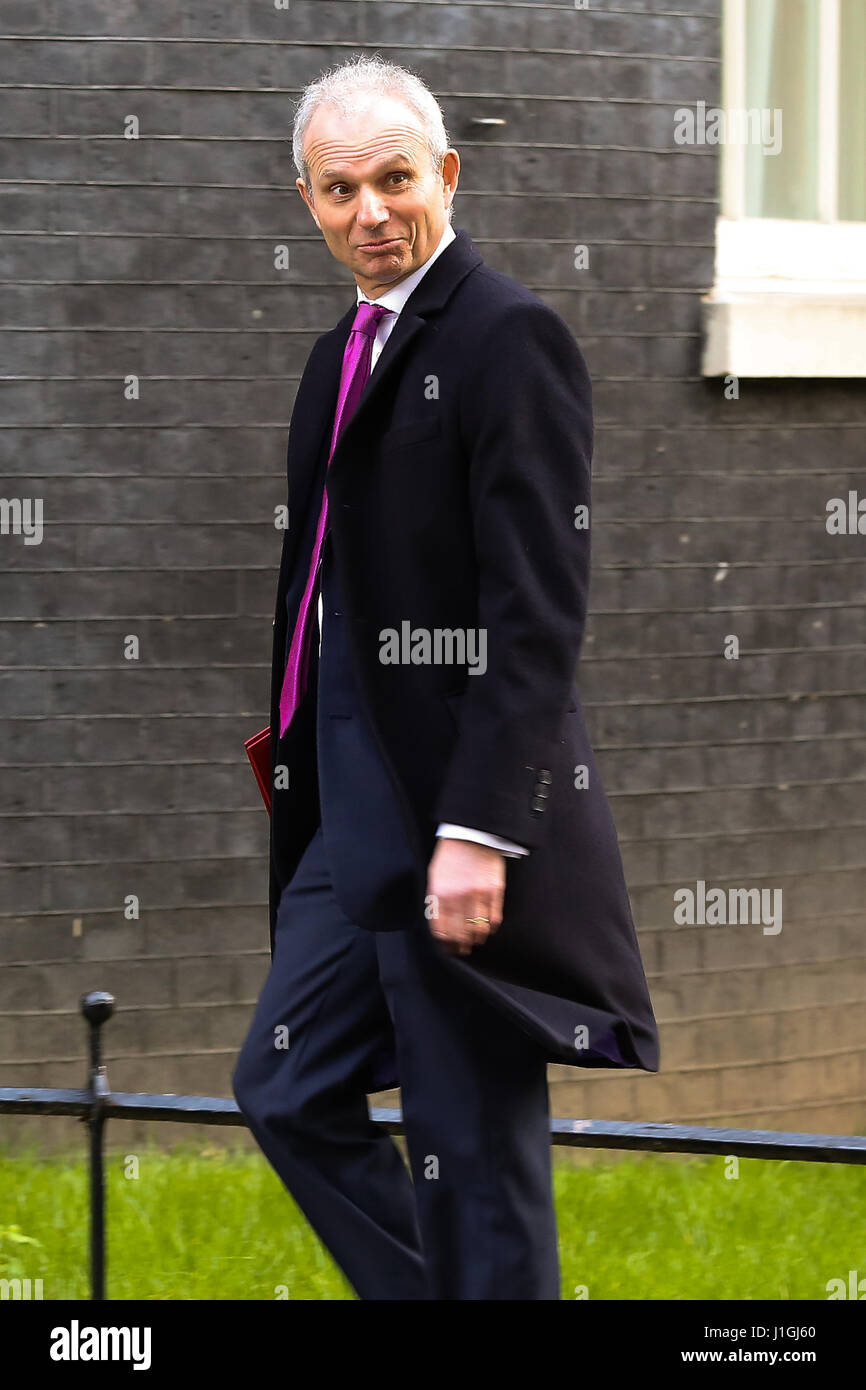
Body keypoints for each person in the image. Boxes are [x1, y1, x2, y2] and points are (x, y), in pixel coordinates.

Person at [232, 53, 659, 1301]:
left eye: (395, 179)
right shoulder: (334, 357)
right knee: (286, 1086)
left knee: (471, 1154)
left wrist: (479, 830)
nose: (371, 212)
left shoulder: (505, 336)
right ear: (306, 202)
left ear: (448, 175)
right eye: (338, 188)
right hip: (342, 820)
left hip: (449, 815)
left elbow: (536, 612)